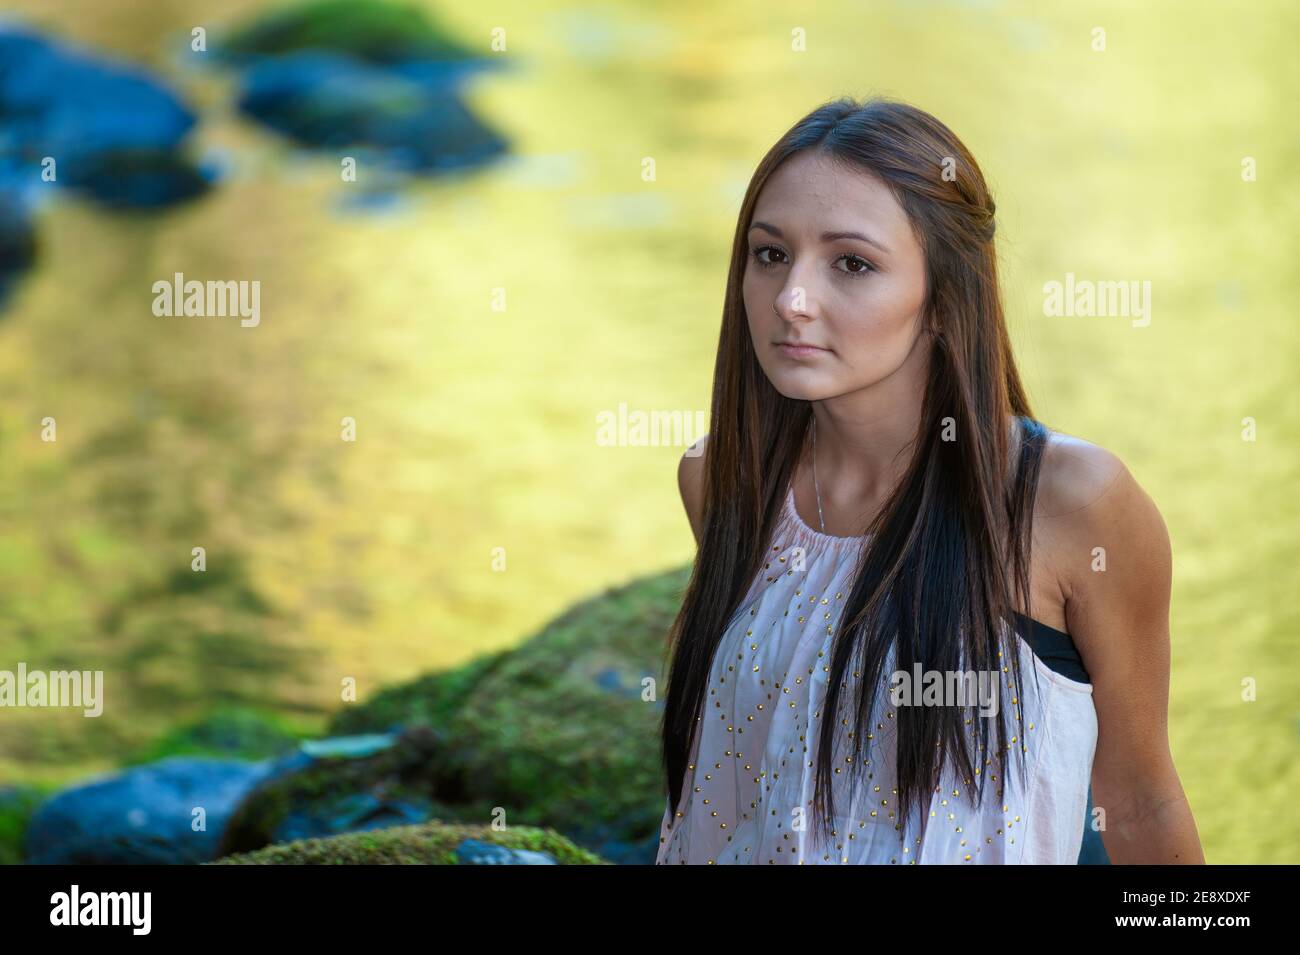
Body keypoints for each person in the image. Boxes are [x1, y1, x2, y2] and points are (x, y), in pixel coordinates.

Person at [655, 96, 1203, 865]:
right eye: (770, 254)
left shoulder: (1068, 504)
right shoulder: (722, 479)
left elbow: (1141, 798)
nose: (790, 300)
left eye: (852, 263)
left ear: (945, 300)